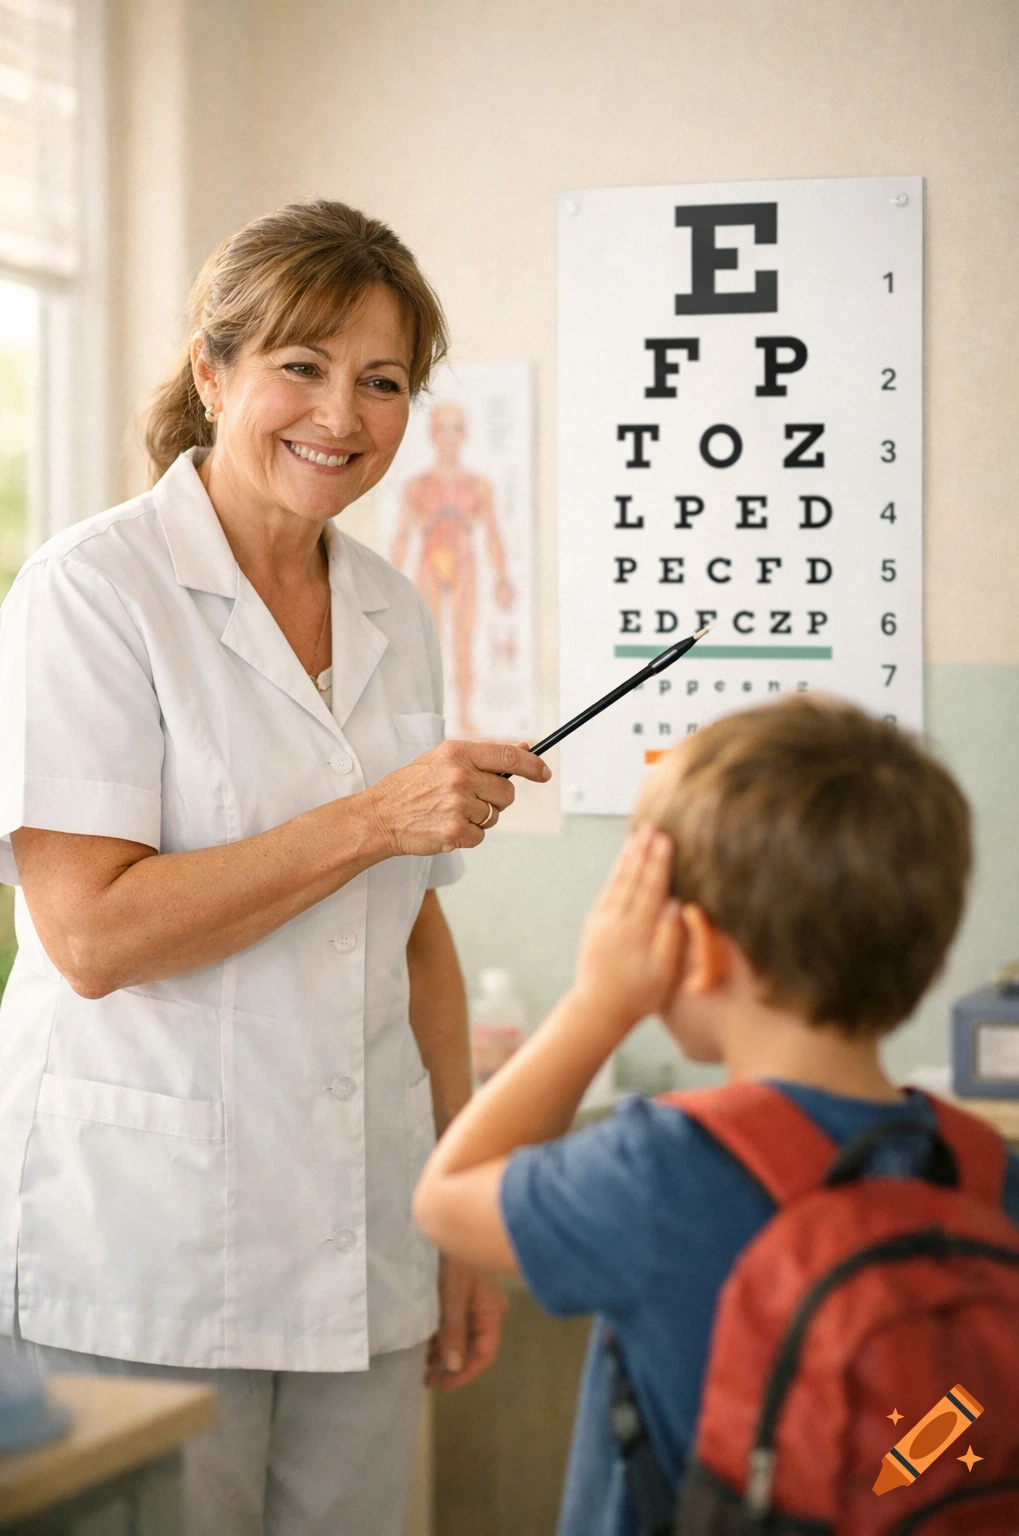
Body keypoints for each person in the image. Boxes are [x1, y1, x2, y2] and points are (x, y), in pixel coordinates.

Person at [0, 199, 549, 1536]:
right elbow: (91, 937)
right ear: (213, 374)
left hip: (360, 1234)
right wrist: (372, 818)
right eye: (302, 366)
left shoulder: (388, 607)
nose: (341, 415)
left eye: (383, 382)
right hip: (148, 1250)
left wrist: (455, 1201)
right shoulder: (93, 592)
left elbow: (413, 933)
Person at [413, 694, 1019, 1536]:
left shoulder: (662, 1169)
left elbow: (446, 1200)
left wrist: (599, 1004)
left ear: (691, 947)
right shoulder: (988, 1172)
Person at [390, 401, 514, 734]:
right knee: (425, 642)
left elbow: (492, 534)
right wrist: (387, 582)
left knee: (462, 641)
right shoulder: (417, 486)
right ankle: (426, 719)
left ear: (465, 434)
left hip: (464, 564)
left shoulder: (478, 486)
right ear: (432, 433)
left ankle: (463, 716)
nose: (449, 435)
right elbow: (402, 535)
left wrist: (502, 578)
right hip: (430, 562)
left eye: (456, 427)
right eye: (443, 427)